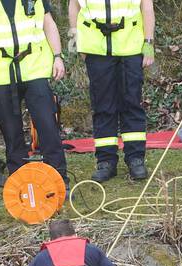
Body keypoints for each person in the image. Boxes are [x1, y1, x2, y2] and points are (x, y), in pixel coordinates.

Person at [0, 0, 69, 183]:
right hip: (0, 73)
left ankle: (58, 178)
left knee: (47, 124)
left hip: (34, 67)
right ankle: (20, 181)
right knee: (11, 131)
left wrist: (57, 56)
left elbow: (49, 23)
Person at [69, 0, 156, 183]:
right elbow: (74, 6)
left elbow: (146, 7)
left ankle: (135, 158)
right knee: (103, 106)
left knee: (131, 103)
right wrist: (78, 42)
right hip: (96, 49)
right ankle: (106, 161)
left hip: (130, 46)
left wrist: (148, 43)